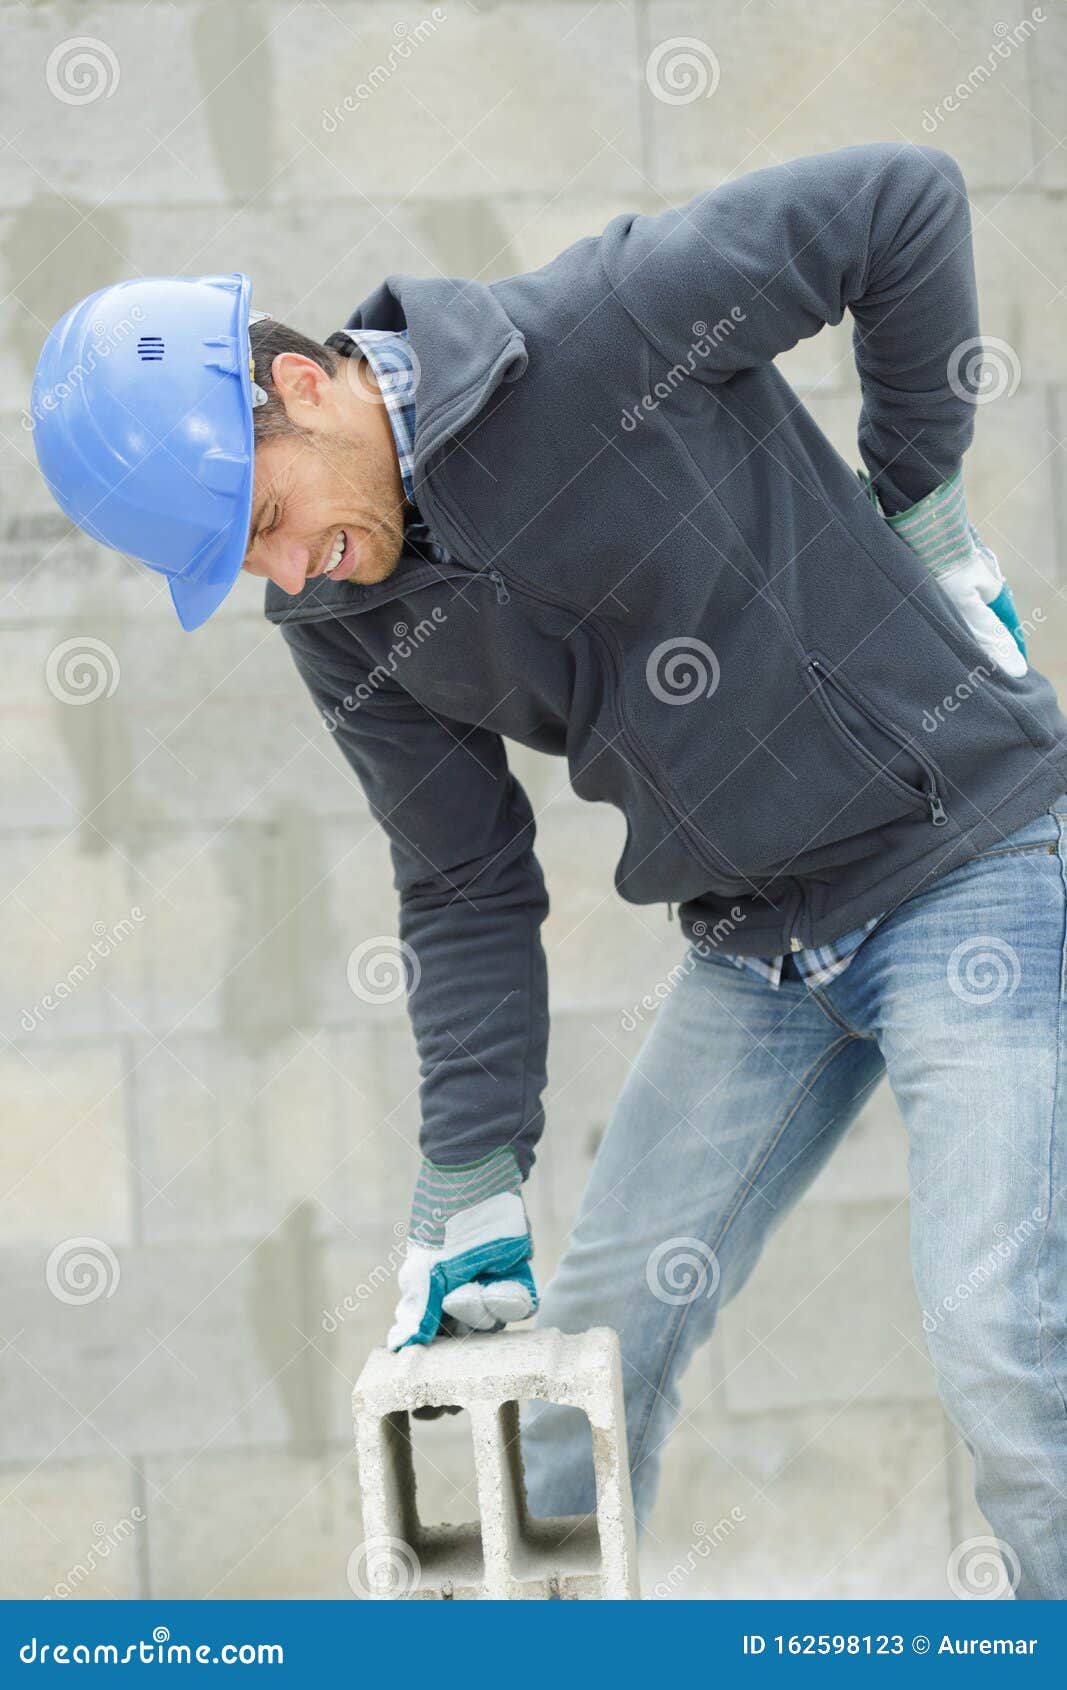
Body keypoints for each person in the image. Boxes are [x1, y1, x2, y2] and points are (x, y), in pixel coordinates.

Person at [32, 143, 1067, 1598]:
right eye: (245, 565)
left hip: (963, 856)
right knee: (578, 1392)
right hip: (757, 947)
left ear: (302, 388)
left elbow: (903, 205)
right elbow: (460, 881)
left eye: (262, 520)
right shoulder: (340, 619)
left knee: (1004, 1340)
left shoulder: (605, 329)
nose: (287, 574)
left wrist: (921, 498)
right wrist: (471, 1173)